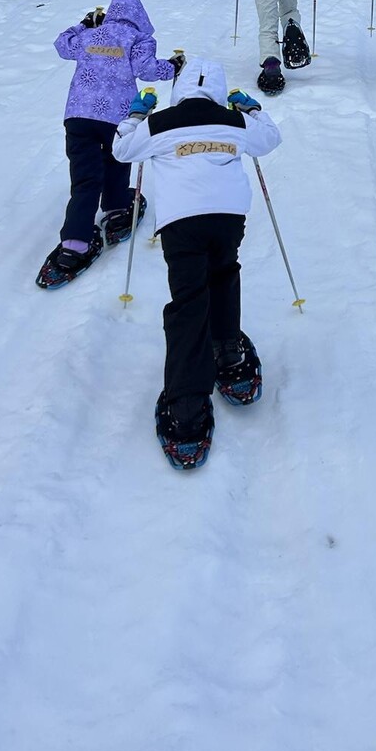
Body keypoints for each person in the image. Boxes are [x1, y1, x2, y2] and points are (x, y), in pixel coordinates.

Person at [112, 57, 282, 471]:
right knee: (224, 274)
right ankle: (227, 353)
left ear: (180, 89)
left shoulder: (161, 122)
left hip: (181, 221)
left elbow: (122, 151)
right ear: (221, 91)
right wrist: (251, 107)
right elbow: (269, 140)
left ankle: (187, 404)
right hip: (227, 215)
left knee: (189, 300)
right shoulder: (232, 120)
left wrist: (136, 114)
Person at [36, 0, 182, 289]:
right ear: (140, 16)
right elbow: (147, 70)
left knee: (85, 178)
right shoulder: (140, 40)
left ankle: (75, 241)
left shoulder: (92, 34)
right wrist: (174, 65)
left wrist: (84, 24)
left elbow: (62, 46)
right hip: (115, 116)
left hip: (78, 116)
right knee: (117, 161)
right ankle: (116, 206)